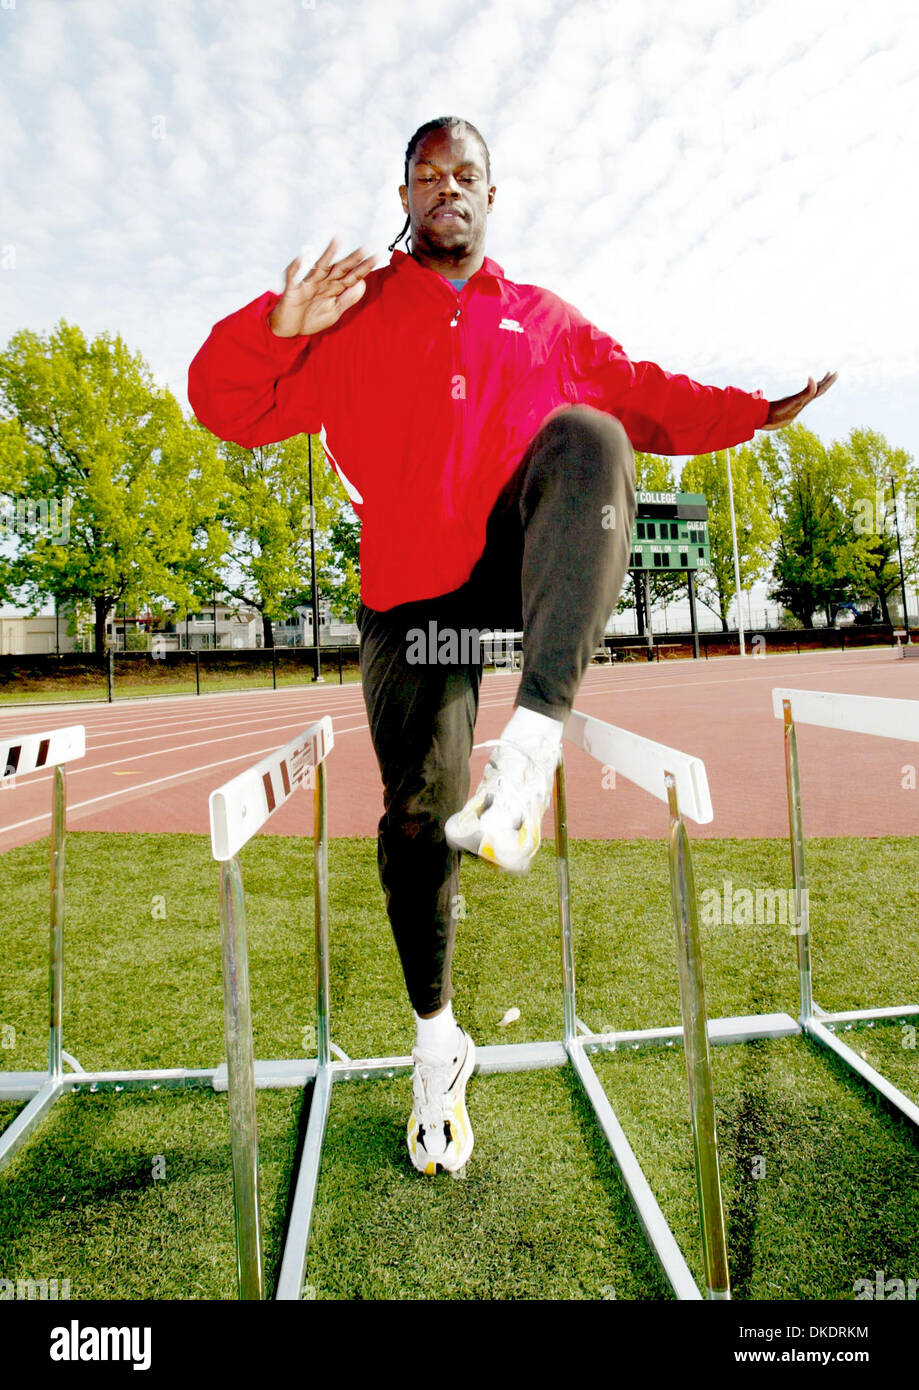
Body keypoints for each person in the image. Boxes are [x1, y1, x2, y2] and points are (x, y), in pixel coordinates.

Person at [188, 115, 836, 1178]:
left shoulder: (542, 322)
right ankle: (437, 1042)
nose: (448, 187)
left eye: (467, 174)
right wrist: (278, 321)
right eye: (427, 174)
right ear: (403, 196)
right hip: (411, 590)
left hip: (511, 559)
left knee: (594, 435)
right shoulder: (345, 320)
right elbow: (222, 404)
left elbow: (650, 395)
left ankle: (528, 754)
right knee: (415, 823)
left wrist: (755, 413)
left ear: (494, 195)